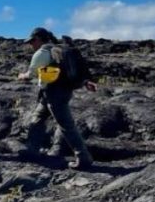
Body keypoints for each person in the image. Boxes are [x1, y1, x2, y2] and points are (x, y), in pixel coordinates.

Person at [17, 27, 96, 169]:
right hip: (58, 91)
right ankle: (32, 150)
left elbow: (31, 74)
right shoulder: (59, 50)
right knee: (37, 119)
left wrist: (22, 76)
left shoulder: (42, 53)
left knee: (66, 125)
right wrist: (85, 82)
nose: (31, 45)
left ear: (39, 39)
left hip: (54, 93)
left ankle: (83, 157)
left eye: (32, 41)